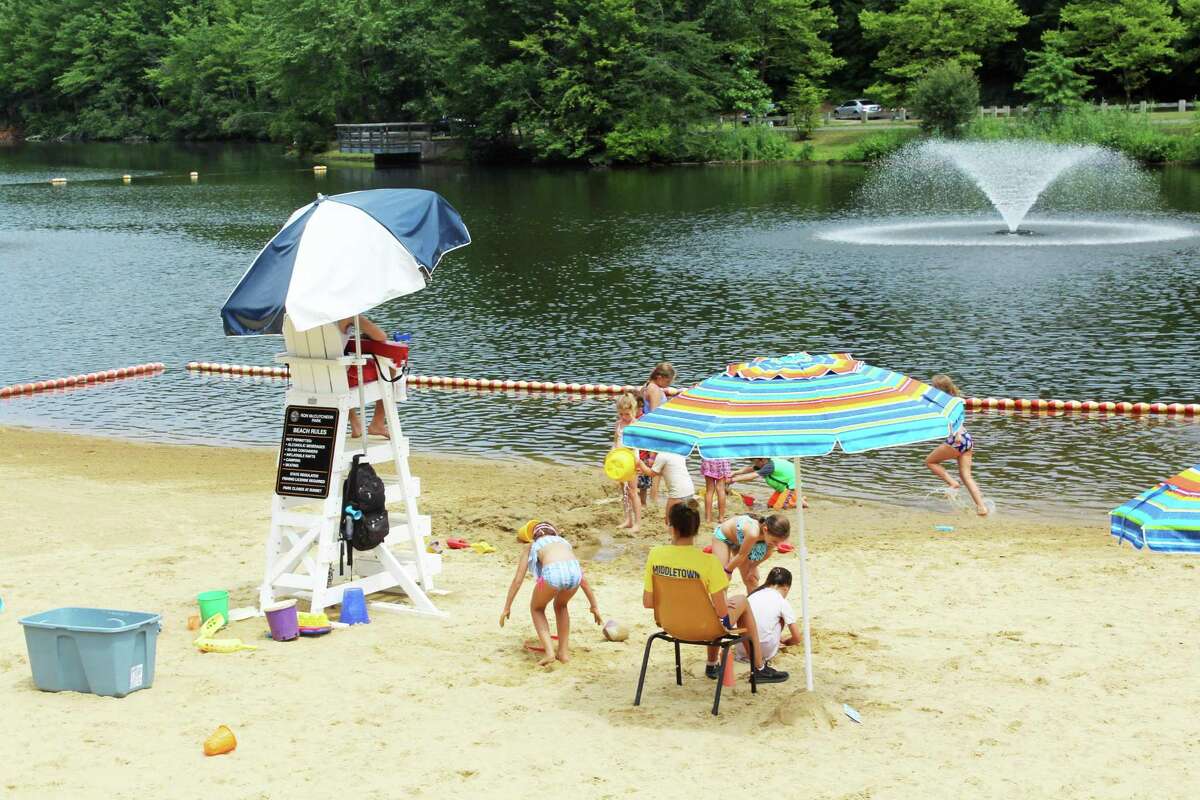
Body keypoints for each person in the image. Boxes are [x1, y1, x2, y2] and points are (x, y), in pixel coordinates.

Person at [642, 502, 788, 684]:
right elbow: (721, 613)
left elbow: (648, 602)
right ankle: (758, 667)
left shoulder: (655, 555)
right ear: (696, 530)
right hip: (704, 627)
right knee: (741, 601)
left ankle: (713, 664)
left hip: (670, 624)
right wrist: (715, 603)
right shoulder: (709, 562)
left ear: (671, 528)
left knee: (719, 608)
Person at [500, 522, 603, 666]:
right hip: (575, 574)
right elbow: (583, 580)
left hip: (553, 573)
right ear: (554, 533)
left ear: (534, 537)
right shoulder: (563, 542)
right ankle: (563, 653)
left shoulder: (531, 546)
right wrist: (594, 606)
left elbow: (518, 580)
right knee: (561, 606)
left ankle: (549, 653)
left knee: (537, 608)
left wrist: (507, 607)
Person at [925, 374, 988, 516]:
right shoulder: (956, 401)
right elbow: (960, 417)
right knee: (967, 476)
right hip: (968, 439)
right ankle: (981, 507)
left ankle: (953, 484)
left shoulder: (945, 403)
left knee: (930, 462)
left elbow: (955, 420)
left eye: (933, 386)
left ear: (939, 389)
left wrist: (957, 435)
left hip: (957, 439)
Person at [709, 513, 790, 593]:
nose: (776, 545)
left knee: (752, 579)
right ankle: (720, 604)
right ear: (765, 530)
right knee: (722, 579)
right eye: (775, 541)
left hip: (741, 544)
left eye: (779, 542)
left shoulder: (771, 538)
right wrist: (727, 571)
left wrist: (752, 567)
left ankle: (754, 605)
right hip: (724, 538)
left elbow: (767, 554)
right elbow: (741, 555)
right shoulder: (753, 533)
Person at [338, 316, 389, 439]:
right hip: (343, 377)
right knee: (391, 370)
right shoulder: (344, 314)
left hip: (310, 380)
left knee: (338, 373)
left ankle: (355, 424)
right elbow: (381, 336)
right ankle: (378, 423)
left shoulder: (295, 318)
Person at [742, 567, 802, 664]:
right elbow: (797, 638)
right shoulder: (781, 601)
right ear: (786, 588)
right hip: (762, 651)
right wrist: (785, 642)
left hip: (742, 647)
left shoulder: (752, 595)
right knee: (781, 619)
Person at [637, 362, 676, 505]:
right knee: (657, 466)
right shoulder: (654, 389)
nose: (669, 384)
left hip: (645, 430)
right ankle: (653, 498)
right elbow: (653, 413)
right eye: (668, 381)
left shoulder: (647, 385)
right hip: (652, 431)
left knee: (654, 464)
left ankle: (649, 497)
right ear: (659, 377)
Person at [638, 449, 695, 528]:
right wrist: (644, 470)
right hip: (690, 489)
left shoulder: (662, 456)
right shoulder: (678, 453)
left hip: (677, 494)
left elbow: (651, 474)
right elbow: (669, 470)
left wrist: (640, 462)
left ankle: (675, 537)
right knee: (685, 522)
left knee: (669, 522)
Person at [727, 457, 807, 510]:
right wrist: (735, 472)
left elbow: (753, 476)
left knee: (778, 508)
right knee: (770, 505)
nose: (755, 465)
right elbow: (750, 469)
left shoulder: (769, 466)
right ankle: (796, 499)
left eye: (756, 462)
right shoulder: (764, 464)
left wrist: (733, 480)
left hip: (791, 486)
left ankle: (799, 502)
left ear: (763, 460)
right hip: (783, 487)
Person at [613, 393, 643, 532]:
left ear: (634, 411)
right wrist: (610, 455)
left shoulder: (636, 425)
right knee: (623, 492)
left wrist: (638, 463)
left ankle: (637, 523)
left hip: (631, 462)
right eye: (621, 414)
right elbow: (615, 442)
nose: (624, 417)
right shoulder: (618, 424)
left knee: (632, 491)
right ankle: (628, 519)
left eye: (627, 414)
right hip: (619, 462)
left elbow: (639, 446)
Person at [699, 457, 731, 524]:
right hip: (722, 459)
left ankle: (708, 518)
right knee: (721, 489)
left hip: (708, 458)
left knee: (709, 490)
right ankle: (721, 518)